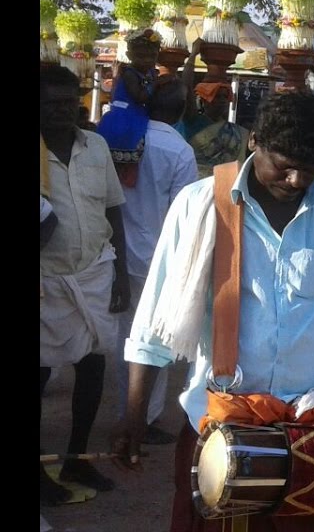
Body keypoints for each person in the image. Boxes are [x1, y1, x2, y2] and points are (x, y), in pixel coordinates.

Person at [111, 92, 314, 532]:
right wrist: (134, 415)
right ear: (255, 142)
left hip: (313, 419)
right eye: (284, 163)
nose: (294, 179)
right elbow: (153, 316)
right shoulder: (199, 203)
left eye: (309, 169)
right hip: (218, 417)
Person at [40, 64, 131, 499]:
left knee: (93, 369)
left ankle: (76, 461)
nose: (61, 110)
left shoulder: (95, 146)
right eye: (50, 103)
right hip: (45, 283)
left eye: (67, 101)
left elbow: (114, 209)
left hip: (95, 273)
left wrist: (120, 276)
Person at [113, 77, 198, 447]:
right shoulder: (179, 150)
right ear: (181, 110)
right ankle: (143, 418)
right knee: (155, 337)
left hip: (118, 251)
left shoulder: (124, 136)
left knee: (125, 336)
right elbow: (186, 213)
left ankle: (128, 412)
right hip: (158, 255)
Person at [97, 29, 160, 187]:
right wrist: (156, 84)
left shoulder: (151, 72)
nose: (146, 60)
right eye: (141, 56)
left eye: (151, 56)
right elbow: (139, 96)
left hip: (137, 113)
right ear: (130, 55)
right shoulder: (129, 73)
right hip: (124, 115)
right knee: (129, 139)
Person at [180, 38, 249, 178]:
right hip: (197, 183)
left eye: (225, 97)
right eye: (217, 97)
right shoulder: (194, 120)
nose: (222, 101)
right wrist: (193, 55)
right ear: (204, 100)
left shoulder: (236, 131)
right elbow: (186, 86)